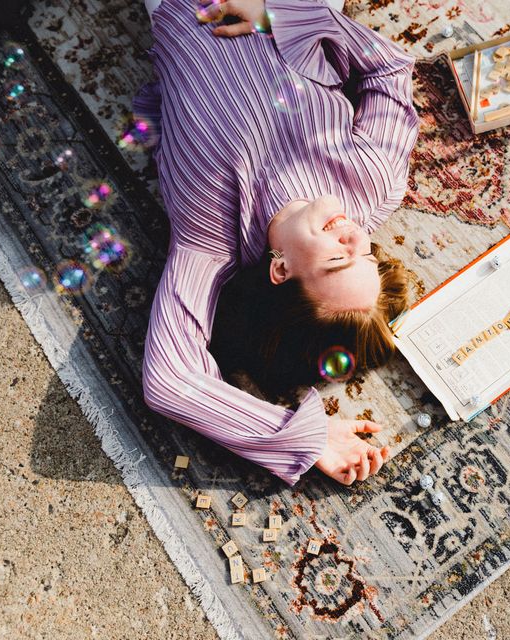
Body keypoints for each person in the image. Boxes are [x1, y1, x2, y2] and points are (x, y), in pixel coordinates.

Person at [137, 0, 420, 487]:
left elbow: (170, 380)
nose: (352, 234)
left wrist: (303, 436)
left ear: (281, 270)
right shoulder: (373, 182)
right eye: (366, 252)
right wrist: (282, 14)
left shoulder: (208, 239)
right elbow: (390, 67)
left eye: (337, 259)